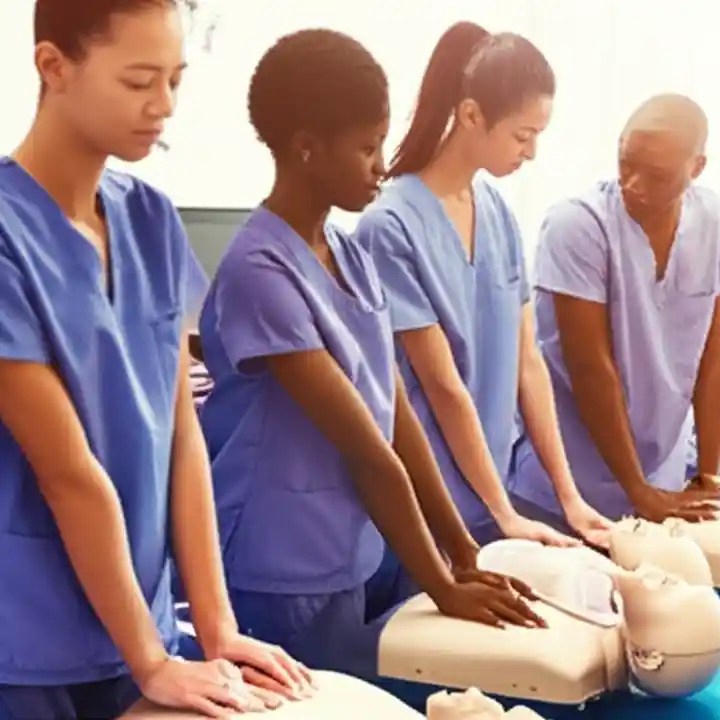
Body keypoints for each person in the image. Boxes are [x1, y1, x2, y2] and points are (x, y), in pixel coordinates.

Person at [197, 28, 543, 684]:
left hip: (348, 554)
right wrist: (444, 584)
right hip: (280, 564)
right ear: (305, 149)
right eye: (366, 147)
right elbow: (365, 447)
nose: (382, 164)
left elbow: (399, 415)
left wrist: (464, 550)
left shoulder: (350, 252)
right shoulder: (260, 269)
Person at [0, 2, 313, 718]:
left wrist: (216, 628)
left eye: (175, 79)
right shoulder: (7, 234)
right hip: (24, 639)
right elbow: (68, 472)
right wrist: (150, 659)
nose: (163, 106)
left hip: (139, 625)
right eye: (139, 80)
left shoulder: (149, 219)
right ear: (54, 67)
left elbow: (182, 436)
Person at [356, 22, 611, 549]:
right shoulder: (390, 225)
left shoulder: (497, 214)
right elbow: (443, 387)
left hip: (490, 493)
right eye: (524, 135)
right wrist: (505, 512)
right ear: (471, 115)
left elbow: (528, 362)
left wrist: (570, 498)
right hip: (426, 504)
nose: (532, 152)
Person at [507, 94, 720, 524]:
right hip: (567, 493)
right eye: (625, 161)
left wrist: (708, 475)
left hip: (661, 482)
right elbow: (591, 368)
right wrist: (637, 491)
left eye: (658, 175)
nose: (633, 183)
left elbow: (716, 354)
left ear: (697, 168)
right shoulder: (578, 226)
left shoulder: (715, 223)